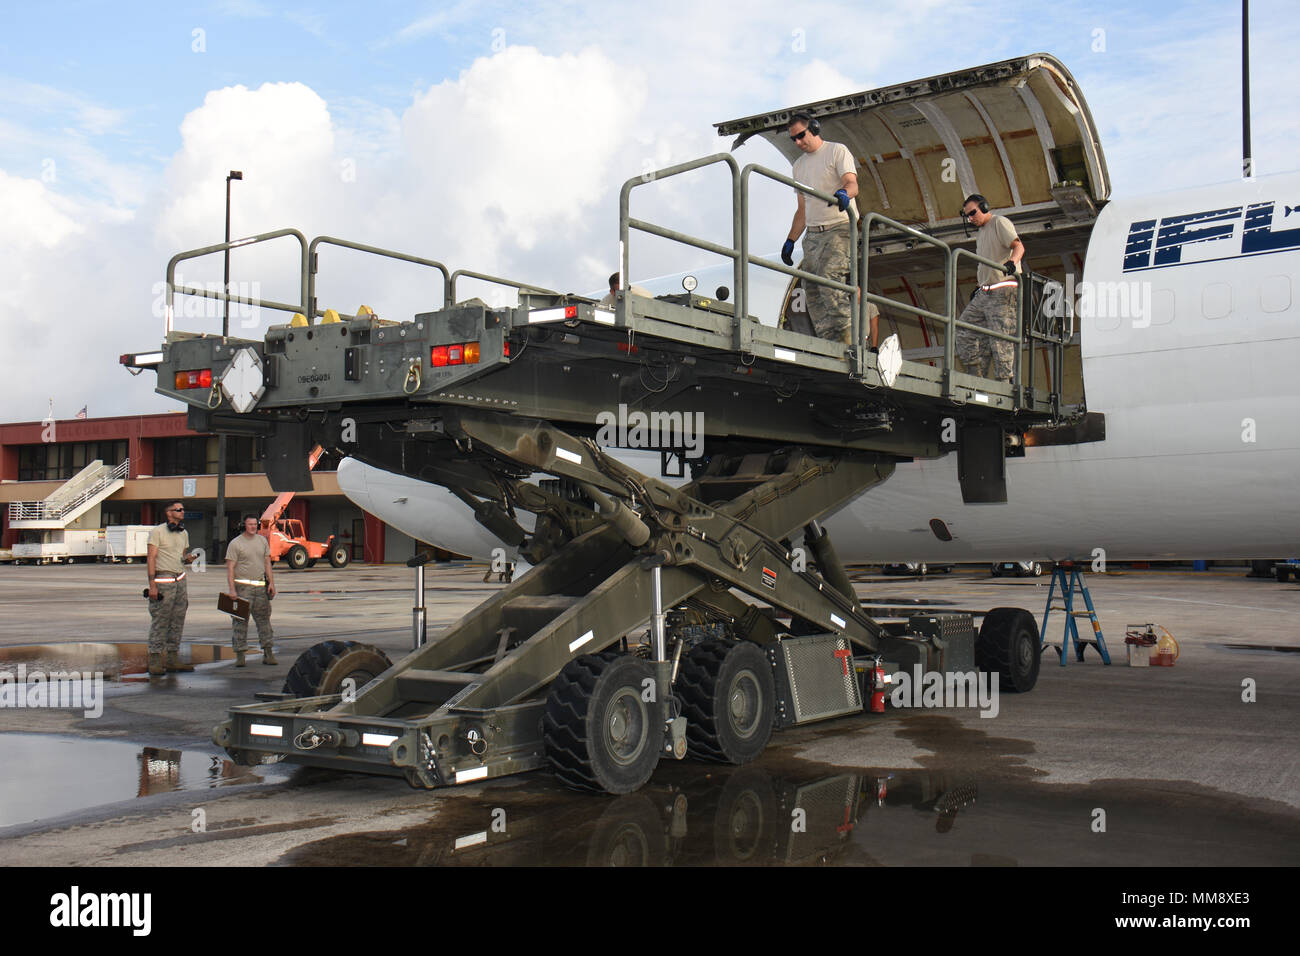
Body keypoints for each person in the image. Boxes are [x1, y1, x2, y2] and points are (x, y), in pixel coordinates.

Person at [780, 112, 859, 345]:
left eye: (801, 136)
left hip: (839, 228)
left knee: (829, 277)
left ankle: (847, 337)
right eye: (793, 139)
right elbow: (802, 209)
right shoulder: (799, 166)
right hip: (813, 233)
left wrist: (844, 194)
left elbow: (852, 183)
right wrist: (790, 240)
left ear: (814, 128)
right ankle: (829, 340)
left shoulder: (837, 151)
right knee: (811, 286)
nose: (798, 142)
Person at [955, 193, 1025, 382]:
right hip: (985, 292)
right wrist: (979, 286)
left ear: (984, 207)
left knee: (1000, 337)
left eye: (973, 213)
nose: (971, 218)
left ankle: (1004, 382)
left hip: (1003, 289)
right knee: (963, 330)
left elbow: (1018, 246)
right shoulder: (981, 233)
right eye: (967, 216)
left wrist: (1012, 262)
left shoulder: (999, 223)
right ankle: (976, 374)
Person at [145, 500, 198, 676]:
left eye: (183, 509)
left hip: (180, 579)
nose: (182, 512)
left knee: (178, 619)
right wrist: (152, 585)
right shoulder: (157, 532)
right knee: (161, 620)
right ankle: (154, 659)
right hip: (163, 579)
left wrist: (188, 560)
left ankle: (172, 658)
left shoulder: (183, 533)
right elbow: (151, 558)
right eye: (178, 509)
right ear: (169, 513)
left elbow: (181, 557)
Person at [225, 515, 277, 667]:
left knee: (264, 621)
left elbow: (267, 563)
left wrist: (271, 583)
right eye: (250, 524)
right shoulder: (235, 544)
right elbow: (230, 568)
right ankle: (240, 655)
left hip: (260, 587)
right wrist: (232, 590)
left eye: (255, 524)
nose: (253, 527)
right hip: (242, 588)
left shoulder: (262, 541)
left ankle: (268, 653)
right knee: (240, 622)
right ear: (244, 526)